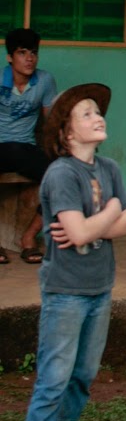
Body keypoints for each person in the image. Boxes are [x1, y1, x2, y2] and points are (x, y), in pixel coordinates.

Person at [20, 83, 126, 421]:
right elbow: (90, 228)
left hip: (100, 286)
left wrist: (95, 224)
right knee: (53, 379)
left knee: (82, 376)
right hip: (65, 292)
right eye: (86, 113)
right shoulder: (61, 174)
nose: (97, 117)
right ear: (66, 133)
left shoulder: (109, 167)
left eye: (97, 111)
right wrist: (110, 213)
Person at [0, 27, 57, 265]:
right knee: (11, 150)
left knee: (59, 178)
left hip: (25, 149)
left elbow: (51, 122)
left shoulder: (44, 81)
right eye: (22, 53)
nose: (29, 58)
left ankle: (28, 238)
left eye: (33, 53)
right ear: (10, 57)